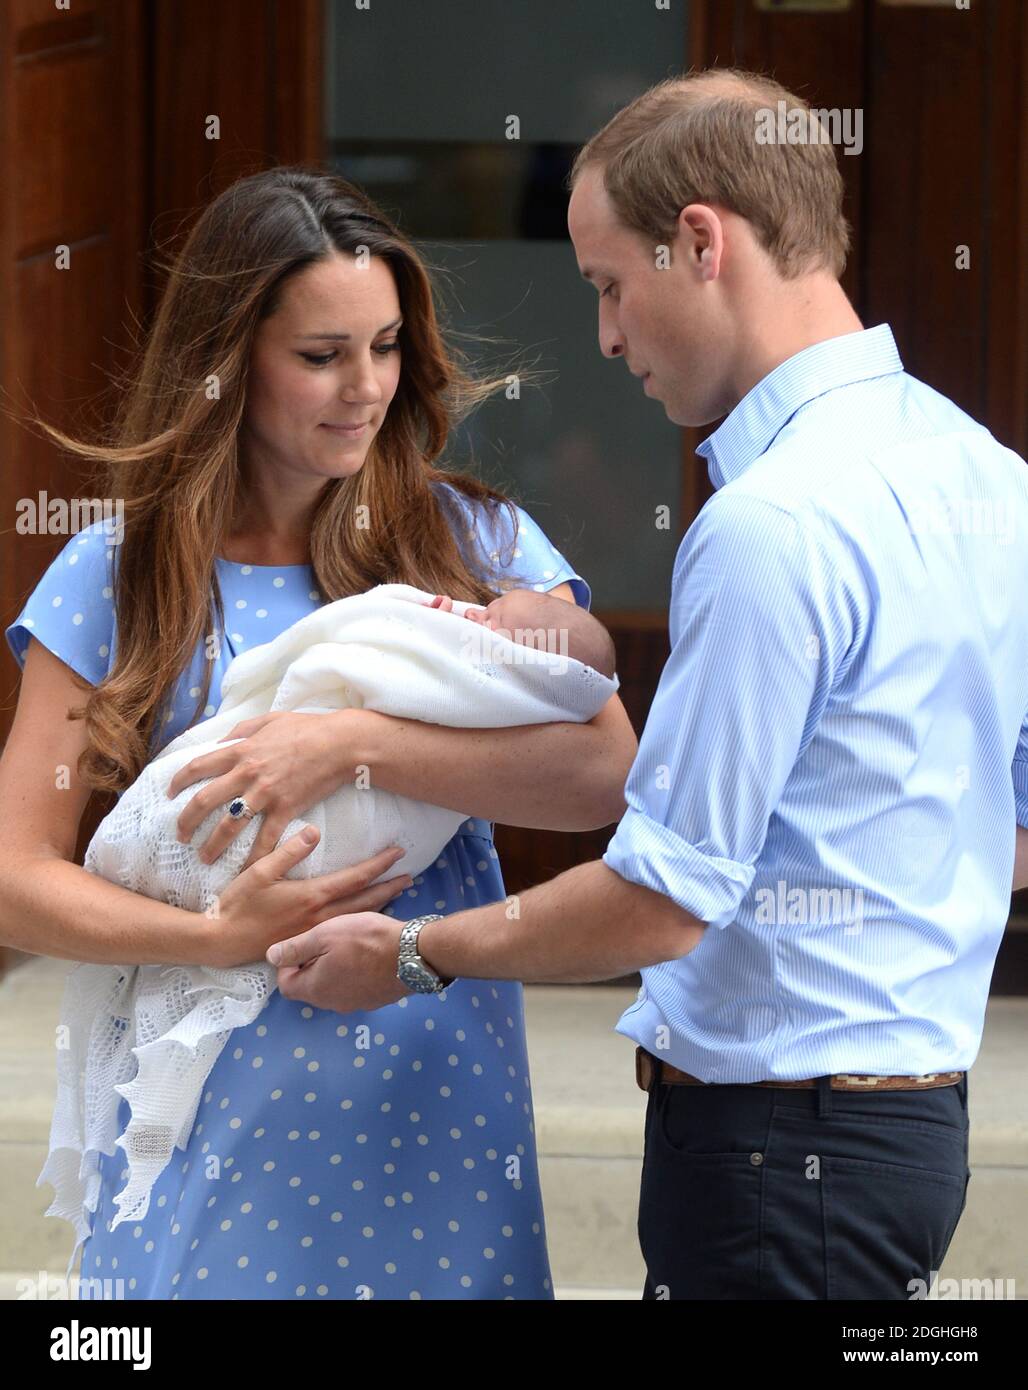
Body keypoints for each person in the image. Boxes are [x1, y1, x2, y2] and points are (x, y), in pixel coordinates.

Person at [266, 69, 1028, 1300]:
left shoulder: (770, 525)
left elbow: (660, 900)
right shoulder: (988, 477)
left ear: (700, 241)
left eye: (608, 286)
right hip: (907, 1140)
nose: (608, 336)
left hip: (777, 1163)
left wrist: (411, 951)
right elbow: (1012, 822)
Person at [0, 166, 637, 1300]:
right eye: (321, 355)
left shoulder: (476, 548)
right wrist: (215, 937)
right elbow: (12, 875)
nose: (367, 387)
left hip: (433, 1102)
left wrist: (356, 745)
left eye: (387, 345)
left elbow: (601, 773)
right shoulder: (116, 570)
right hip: (201, 1114)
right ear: (227, 357)